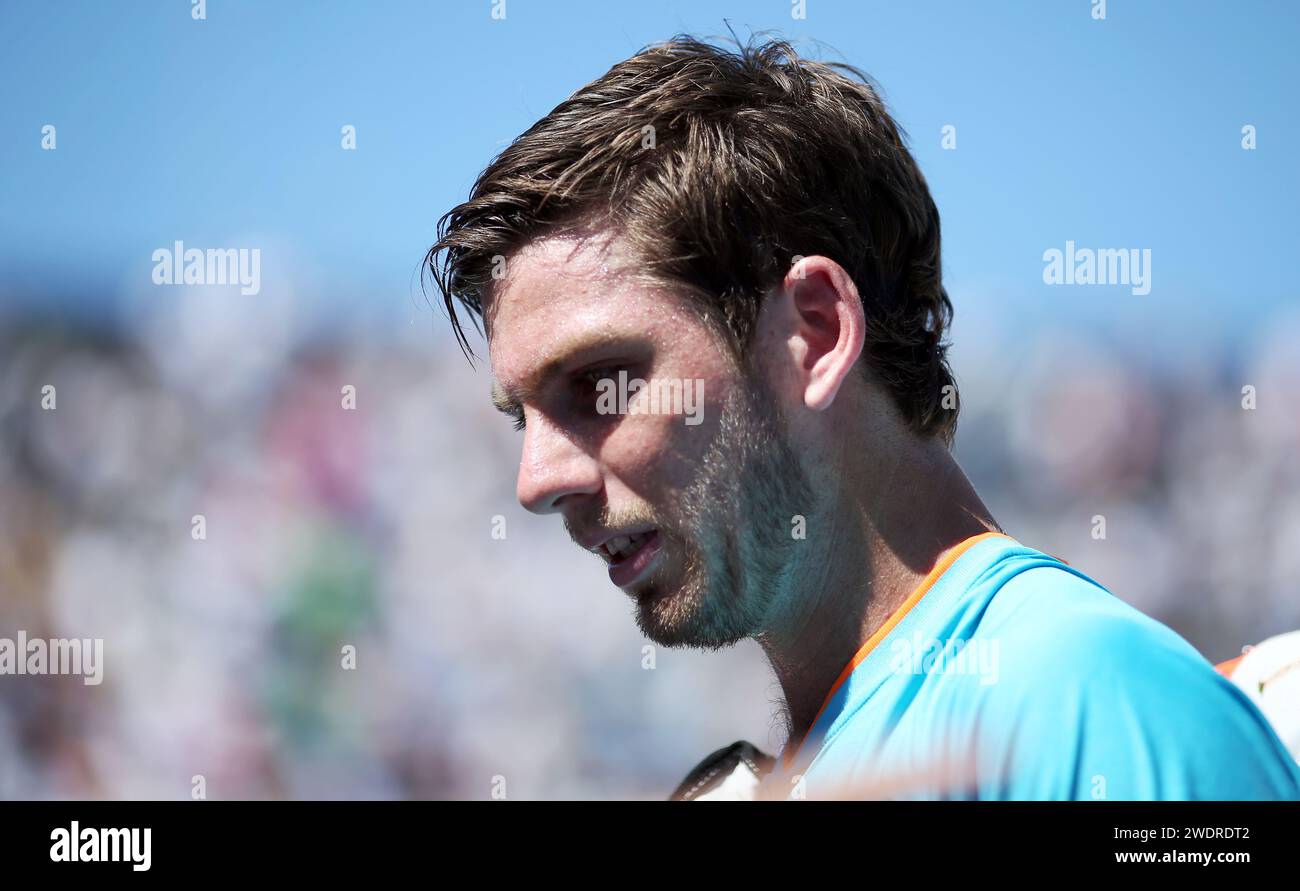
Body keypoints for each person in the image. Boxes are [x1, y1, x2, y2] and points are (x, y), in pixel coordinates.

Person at [424, 34, 1300, 800]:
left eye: (599, 384)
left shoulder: (1081, 702)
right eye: (523, 418)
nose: (536, 480)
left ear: (814, 333)